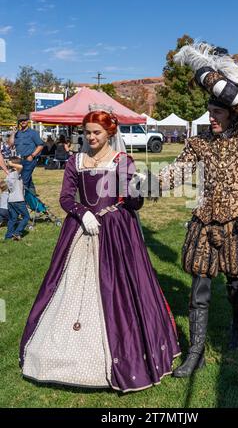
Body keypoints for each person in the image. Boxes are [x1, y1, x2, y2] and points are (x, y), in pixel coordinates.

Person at [19, 109, 180, 392]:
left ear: (110, 134)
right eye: (88, 132)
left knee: (117, 287)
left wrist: (137, 188)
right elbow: (66, 197)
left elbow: (132, 204)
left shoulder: (122, 161)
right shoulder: (75, 162)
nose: (91, 137)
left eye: (97, 132)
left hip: (116, 231)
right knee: (68, 286)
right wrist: (83, 213)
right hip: (81, 230)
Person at [157, 42, 238, 378]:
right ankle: (195, 352)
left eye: (217, 113)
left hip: (237, 226)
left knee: (234, 285)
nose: (210, 118)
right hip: (204, 223)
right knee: (199, 288)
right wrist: (146, 184)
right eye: (210, 112)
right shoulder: (199, 142)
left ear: (233, 113)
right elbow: (179, 171)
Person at [8, 115, 44, 194]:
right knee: (27, 179)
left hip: (29, 160)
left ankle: (22, 200)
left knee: (23, 181)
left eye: (24, 120)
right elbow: (10, 144)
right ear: (19, 123)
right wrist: (13, 133)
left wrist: (32, 155)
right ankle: (32, 198)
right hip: (19, 160)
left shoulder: (33, 133)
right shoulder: (17, 133)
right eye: (21, 121)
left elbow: (40, 145)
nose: (23, 122)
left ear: (27, 121)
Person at [5, 157, 30, 241]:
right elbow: (21, 167)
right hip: (18, 200)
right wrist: (11, 164)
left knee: (13, 219)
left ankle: (8, 236)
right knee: (26, 217)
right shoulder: (15, 173)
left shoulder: (8, 175)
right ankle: (17, 233)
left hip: (10, 200)